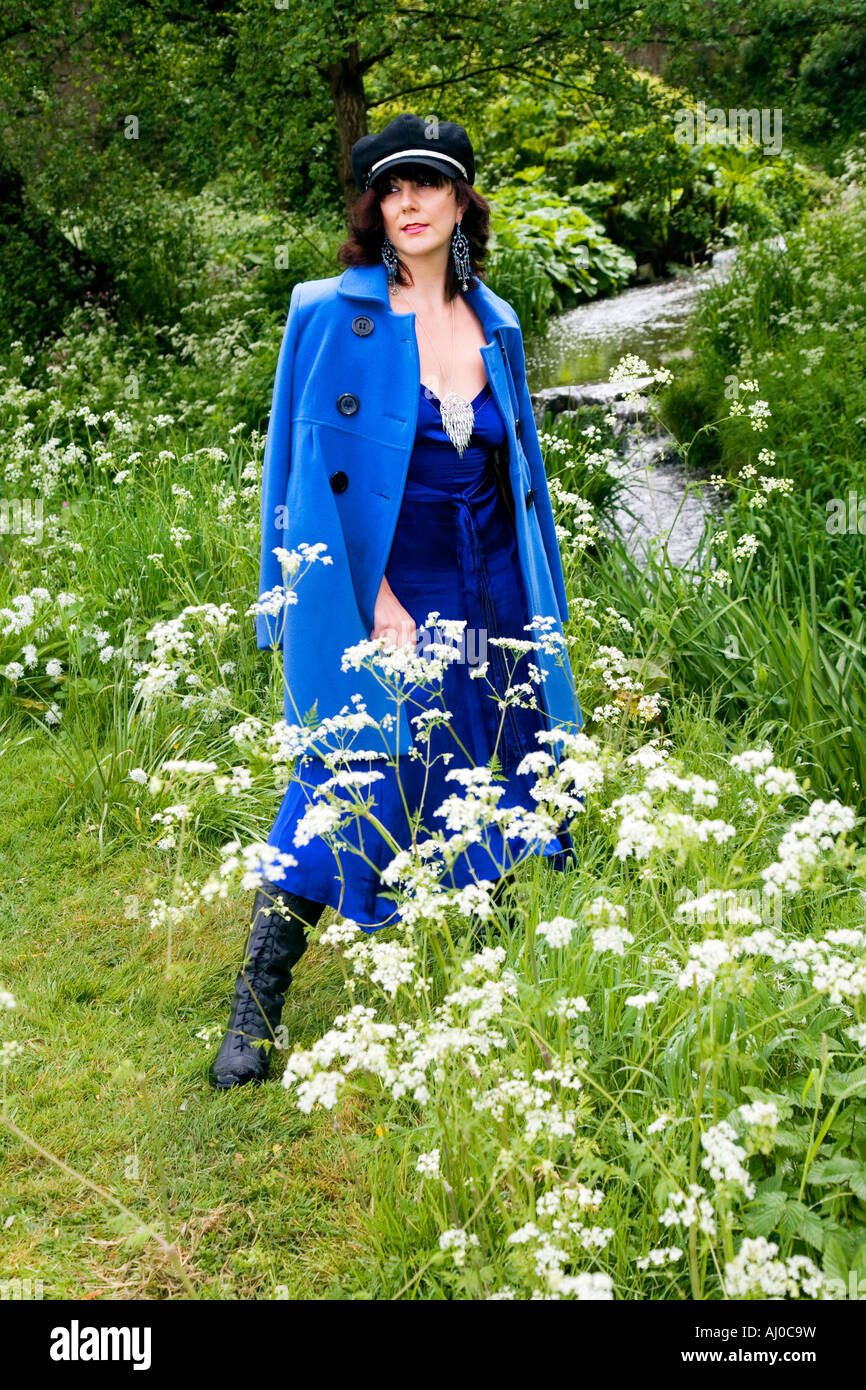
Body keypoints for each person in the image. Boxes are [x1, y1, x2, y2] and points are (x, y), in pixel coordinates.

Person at [209, 114, 582, 1090]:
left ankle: (476, 979)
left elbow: (520, 475)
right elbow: (305, 477)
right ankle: (257, 1002)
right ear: (373, 206)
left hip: (490, 587)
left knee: (495, 765)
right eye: (390, 187)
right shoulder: (333, 314)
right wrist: (371, 598)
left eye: (428, 184)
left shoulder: (493, 320)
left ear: (460, 201)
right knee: (349, 777)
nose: (408, 203)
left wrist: (537, 608)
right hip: (388, 590)